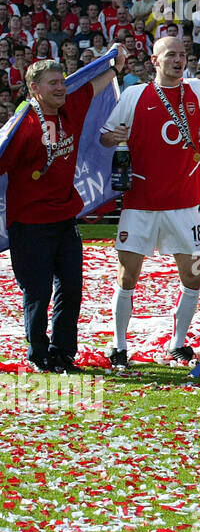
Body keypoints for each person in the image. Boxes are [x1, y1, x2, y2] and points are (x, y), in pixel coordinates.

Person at [98, 37, 200, 367]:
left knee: (194, 276)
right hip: (140, 203)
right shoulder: (134, 95)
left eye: (183, 55)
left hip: (184, 206)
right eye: (171, 55)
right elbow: (105, 135)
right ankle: (119, 346)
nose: (178, 60)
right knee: (127, 276)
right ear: (155, 60)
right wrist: (115, 137)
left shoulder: (198, 89)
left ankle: (178, 343)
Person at [0, 51, 126, 372]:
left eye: (62, 81)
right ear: (34, 89)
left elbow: (94, 86)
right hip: (29, 224)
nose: (61, 87)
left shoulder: (70, 107)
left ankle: (63, 353)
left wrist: (115, 64)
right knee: (38, 293)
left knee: (71, 287)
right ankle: (39, 353)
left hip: (64, 219)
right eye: (53, 83)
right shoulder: (23, 127)